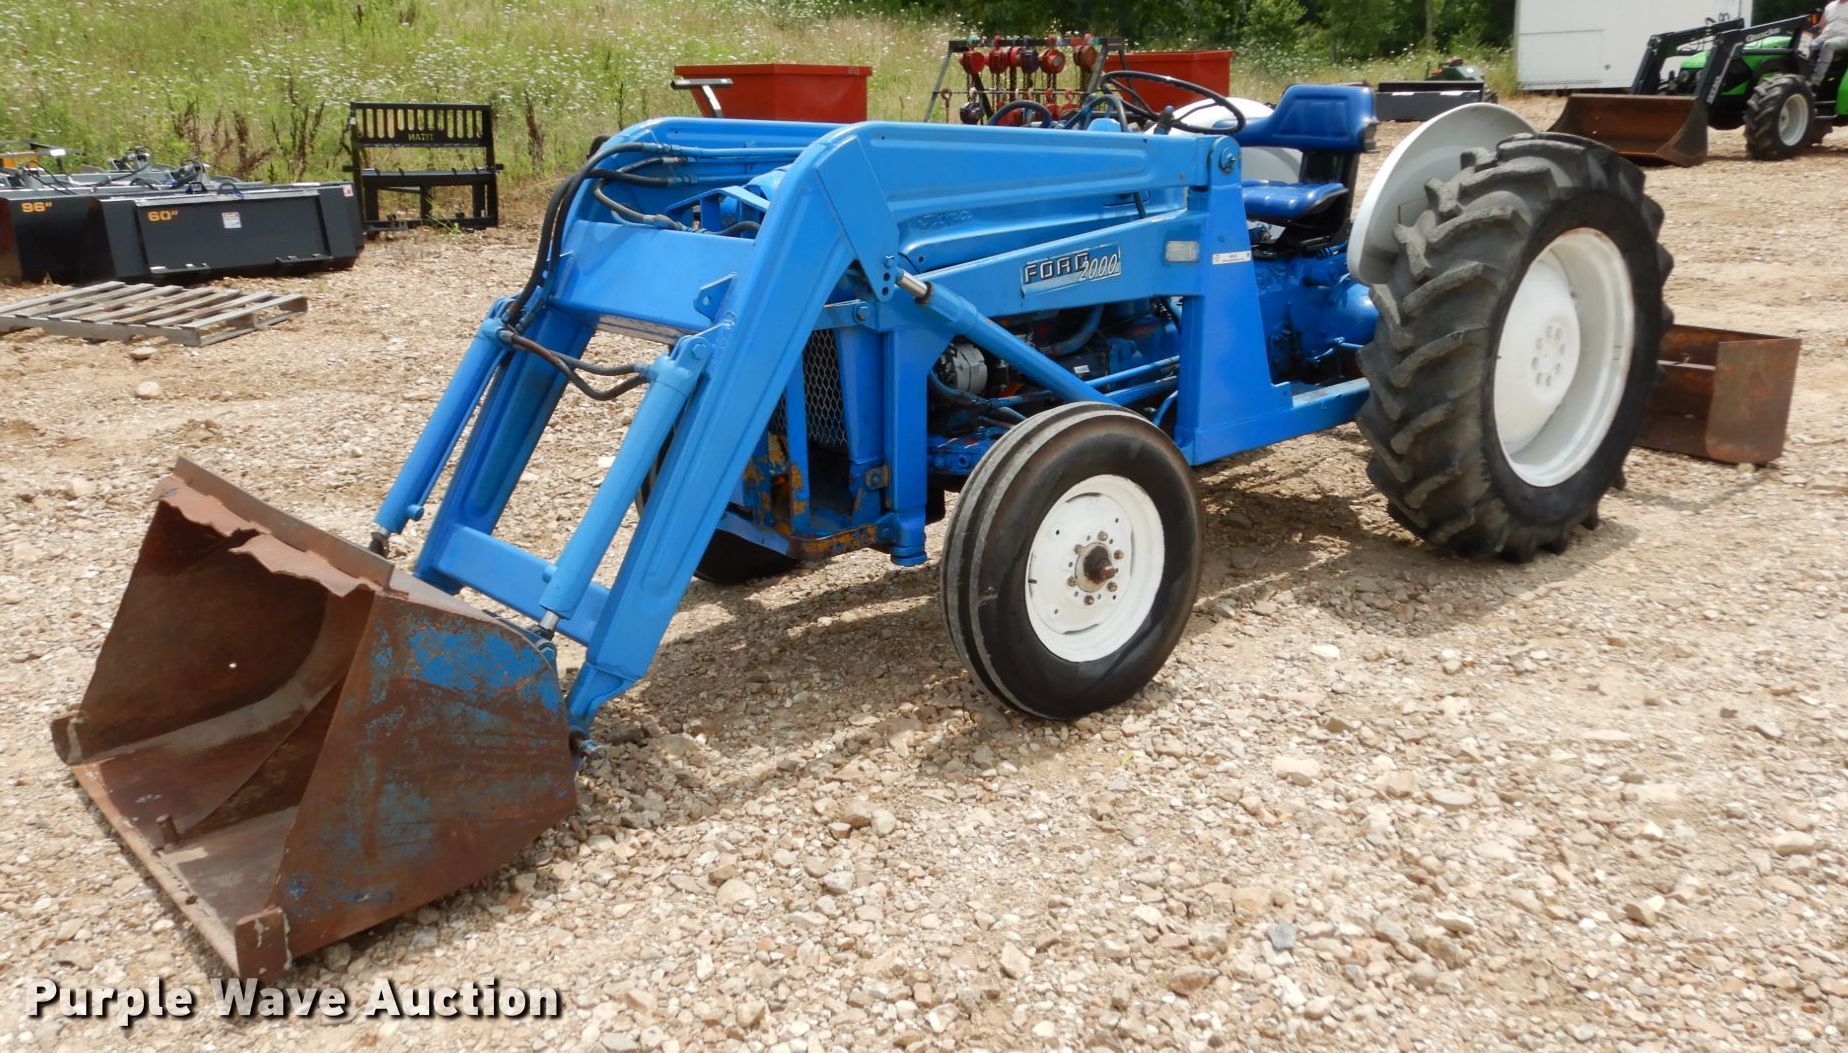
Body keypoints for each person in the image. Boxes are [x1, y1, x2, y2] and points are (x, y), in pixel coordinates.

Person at [1815, 0, 1848, 87]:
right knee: (1809, 45)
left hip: (1844, 37)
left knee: (1828, 45)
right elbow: (1821, 25)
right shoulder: (1830, 6)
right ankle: (1804, 74)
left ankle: (1816, 81)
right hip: (1826, 35)